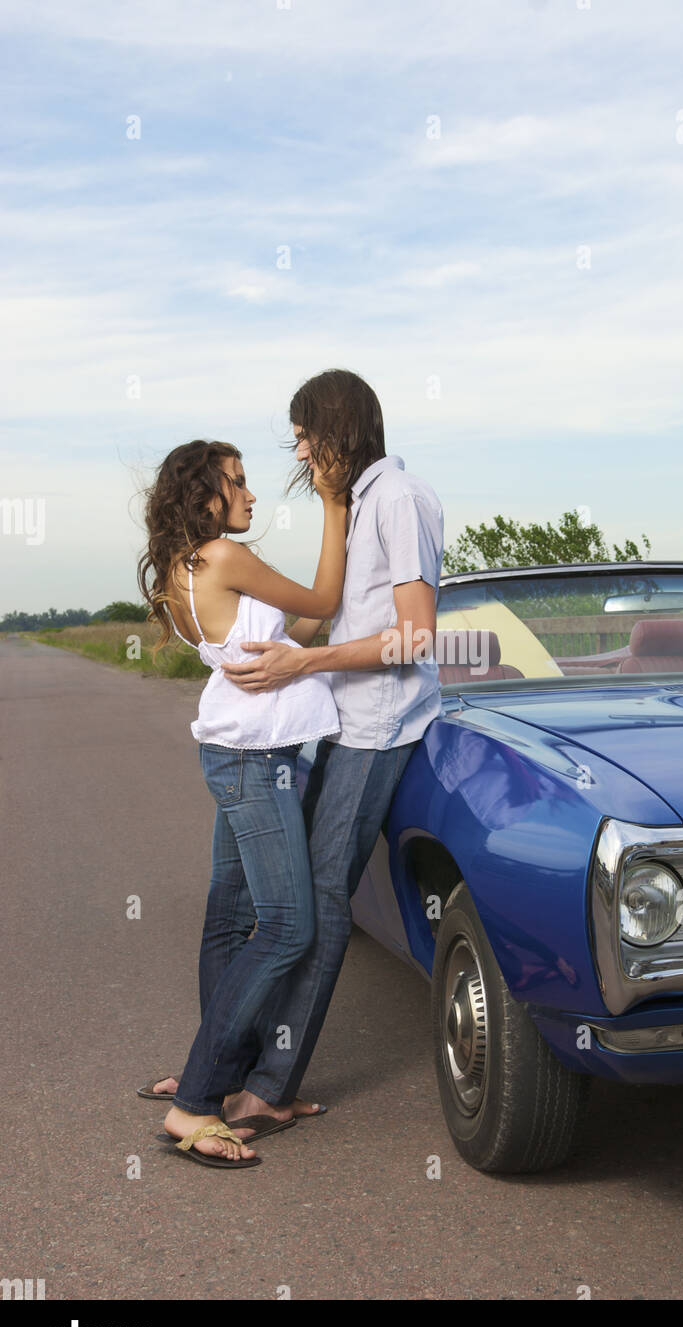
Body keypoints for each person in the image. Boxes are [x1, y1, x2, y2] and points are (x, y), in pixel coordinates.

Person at [219, 368, 444, 1132]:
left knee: (317, 902)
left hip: (377, 726)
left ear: (340, 430)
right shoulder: (362, 502)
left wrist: (302, 664)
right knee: (285, 903)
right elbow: (335, 617)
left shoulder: (402, 501)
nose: (303, 452)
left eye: (308, 437)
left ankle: (273, 1086)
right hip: (340, 722)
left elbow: (415, 636)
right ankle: (234, 1064)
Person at [136, 438, 346, 1167]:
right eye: (239, 484)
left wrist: (308, 652)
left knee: (228, 921)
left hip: (239, 753)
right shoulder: (223, 558)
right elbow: (322, 601)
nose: (252, 497)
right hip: (254, 763)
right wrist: (331, 501)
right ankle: (195, 1104)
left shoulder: (185, 567)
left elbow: (296, 635)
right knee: (288, 926)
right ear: (205, 497)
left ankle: (222, 1080)